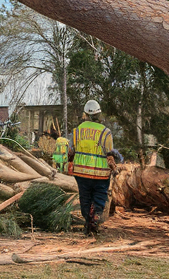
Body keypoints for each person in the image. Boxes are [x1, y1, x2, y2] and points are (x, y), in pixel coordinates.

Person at [66, 100, 123, 236]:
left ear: (85, 114)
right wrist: (114, 169)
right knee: (99, 196)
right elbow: (110, 155)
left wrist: (70, 164)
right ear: (99, 114)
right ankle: (96, 218)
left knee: (85, 197)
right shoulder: (106, 132)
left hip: (81, 172)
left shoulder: (77, 131)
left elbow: (70, 152)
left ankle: (88, 222)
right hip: (101, 174)